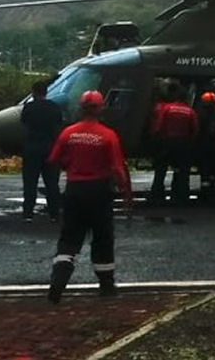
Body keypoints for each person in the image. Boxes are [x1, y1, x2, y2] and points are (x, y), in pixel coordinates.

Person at [47, 90, 133, 302]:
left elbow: (55, 160)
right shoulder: (108, 135)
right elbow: (117, 168)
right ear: (101, 108)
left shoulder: (68, 133)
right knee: (102, 237)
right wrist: (125, 193)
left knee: (69, 238)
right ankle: (106, 286)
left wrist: (71, 166)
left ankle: (57, 284)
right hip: (99, 190)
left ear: (81, 107)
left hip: (75, 189)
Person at [20, 80, 63, 223]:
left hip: (32, 148)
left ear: (34, 92)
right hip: (50, 148)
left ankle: (28, 213)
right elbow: (58, 128)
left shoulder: (29, 108)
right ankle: (54, 214)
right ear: (46, 92)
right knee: (52, 183)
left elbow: (24, 125)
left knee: (30, 182)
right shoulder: (55, 108)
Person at [150, 83, 198, 205]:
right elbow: (195, 129)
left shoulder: (167, 108)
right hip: (183, 144)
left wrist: (157, 140)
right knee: (182, 171)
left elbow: (159, 127)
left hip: (167, 142)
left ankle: (156, 195)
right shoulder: (190, 111)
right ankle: (180, 195)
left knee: (161, 171)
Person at [195, 91, 215, 203]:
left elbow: (197, 129)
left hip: (204, 146)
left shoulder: (200, 114)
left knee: (205, 173)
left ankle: (205, 195)